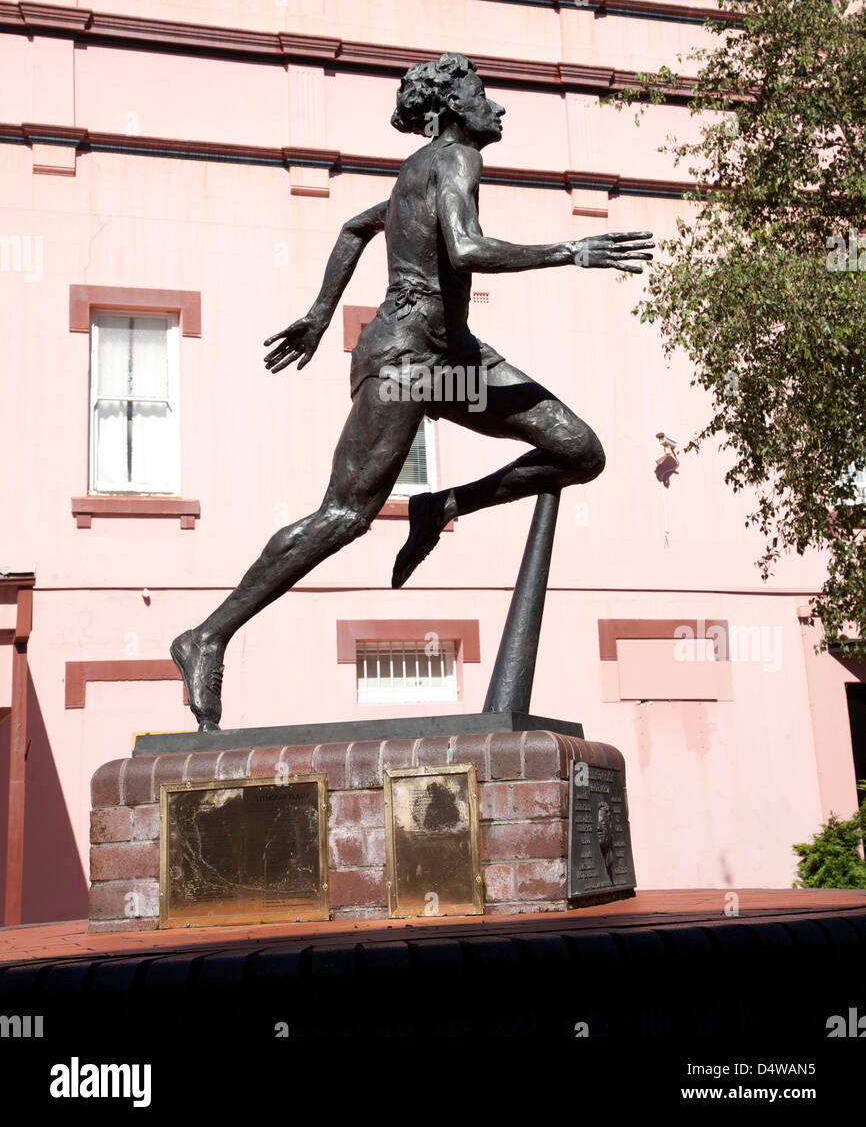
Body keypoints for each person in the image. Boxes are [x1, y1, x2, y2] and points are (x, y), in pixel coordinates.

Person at [171, 52, 653, 730]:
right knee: (344, 515)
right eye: (486, 95)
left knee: (578, 450)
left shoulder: (413, 173)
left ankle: (440, 505)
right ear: (454, 107)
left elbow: (354, 228)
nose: (499, 108)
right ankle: (207, 635)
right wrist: (571, 252)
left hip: (451, 355)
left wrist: (318, 313)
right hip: (405, 359)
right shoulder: (454, 160)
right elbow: (468, 249)